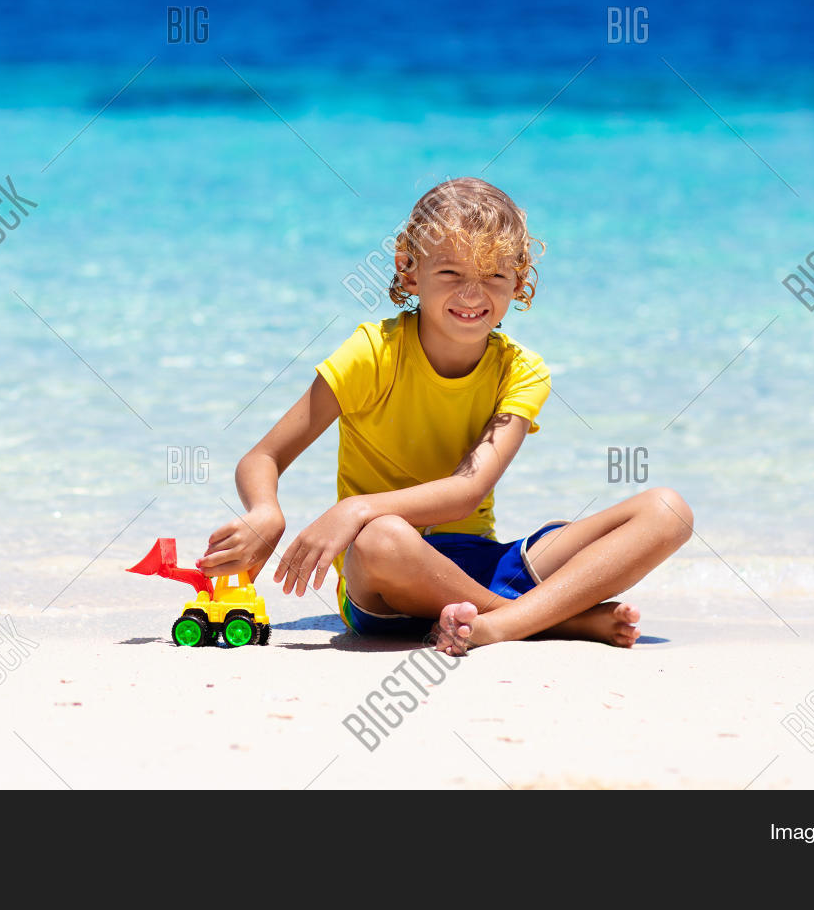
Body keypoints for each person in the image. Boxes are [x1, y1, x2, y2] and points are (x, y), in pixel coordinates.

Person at [200, 177, 692, 654]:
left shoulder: (521, 371)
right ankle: (546, 620)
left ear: (519, 280)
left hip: (480, 562)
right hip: (387, 579)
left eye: (494, 276)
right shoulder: (372, 354)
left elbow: (468, 491)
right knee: (381, 537)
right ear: (410, 270)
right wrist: (266, 511)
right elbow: (263, 456)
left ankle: (499, 623)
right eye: (451, 273)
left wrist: (354, 508)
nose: (473, 296)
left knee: (668, 509)